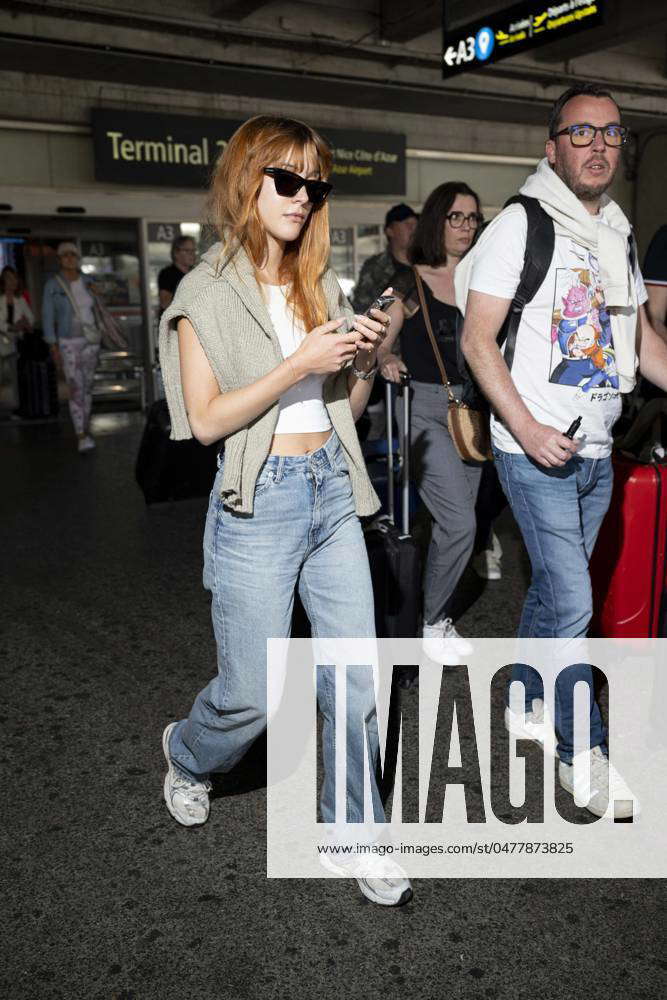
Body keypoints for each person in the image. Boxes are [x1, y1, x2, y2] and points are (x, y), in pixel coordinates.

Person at [158, 114, 412, 907]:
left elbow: (342, 407)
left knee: (354, 679)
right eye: (288, 179)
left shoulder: (317, 284)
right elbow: (205, 422)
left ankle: (352, 829)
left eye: (315, 185)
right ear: (248, 179)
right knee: (253, 693)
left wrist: (363, 360)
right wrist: (296, 361)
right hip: (258, 500)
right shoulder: (204, 293)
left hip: (330, 490)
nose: (303, 197)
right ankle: (189, 753)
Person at [459, 83, 667, 818]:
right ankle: (584, 754)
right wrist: (525, 428)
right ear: (552, 148)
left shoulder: (615, 232)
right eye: (581, 132)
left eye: (611, 133)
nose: (598, 145)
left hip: (596, 452)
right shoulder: (520, 224)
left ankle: (524, 699)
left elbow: (640, 342)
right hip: (534, 450)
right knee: (575, 601)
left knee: (554, 591)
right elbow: (476, 340)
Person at [377, 182, 484, 663]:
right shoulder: (409, 281)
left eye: (472, 218)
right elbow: (378, 335)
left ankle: (433, 614)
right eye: (455, 217)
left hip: (473, 412)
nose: (465, 226)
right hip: (423, 407)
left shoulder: (484, 279)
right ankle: (433, 622)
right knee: (460, 522)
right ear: (437, 221)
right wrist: (385, 357)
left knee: (457, 523)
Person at [42, 242, 102, 452]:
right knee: (76, 388)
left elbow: (99, 308)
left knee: (87, 386)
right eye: (65, 255)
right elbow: (47, 315)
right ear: (59, 259)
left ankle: (85, 424)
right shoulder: (53, 285)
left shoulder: (88, 281)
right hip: (68, 341)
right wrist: (52, 344)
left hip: (91, 340)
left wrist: (98, 292)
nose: (69, 258)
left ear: (78, 258)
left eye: (73, 254)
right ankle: (81, 434)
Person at [351, 203, 417, 314]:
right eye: (407, 224)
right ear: (390, 231)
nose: (413, 229)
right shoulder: (375, 267)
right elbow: (361, 309)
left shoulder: (427, 265)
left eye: (416, 224)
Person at [0, 266, 34, 407]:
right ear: (3, 281)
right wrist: (13, 326)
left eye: (14, 278)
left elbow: (31, 319)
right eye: (9, 278)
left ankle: (17, 407)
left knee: (16, 378)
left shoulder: (20, 300)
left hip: (15, 343)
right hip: (1, 340)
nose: (13, 281)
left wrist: (24, 324)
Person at [157, 235, 196, 314]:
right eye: (187, 250)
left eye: (193, 250)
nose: (192, 254)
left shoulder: (195, 273)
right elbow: (165, 303)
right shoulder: (167, 274)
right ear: (176, 253)